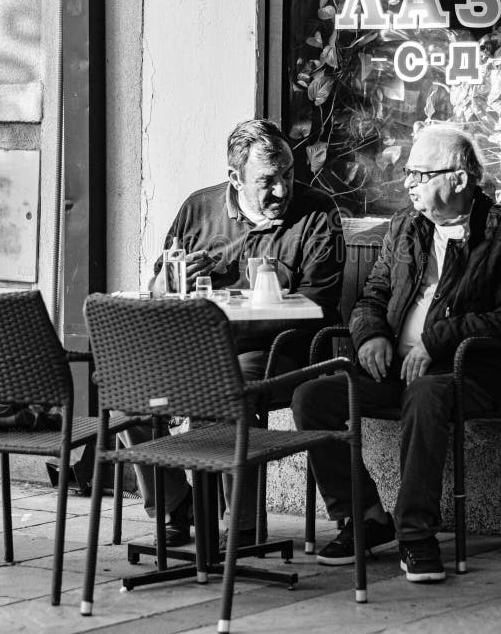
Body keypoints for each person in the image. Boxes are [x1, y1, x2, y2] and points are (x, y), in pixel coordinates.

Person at [292, 125, 501, 582]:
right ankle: (366, 516)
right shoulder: (406, 227)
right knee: (312, 397)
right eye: (408, 173)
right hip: (395, 369)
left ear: (459, 179)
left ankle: (416, 534)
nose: (408, 183)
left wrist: (438, 339)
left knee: (426, 393)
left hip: (468, 372)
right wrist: (371, 336)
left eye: (420, 174)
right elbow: (373, 295)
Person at [123, 118, 345, 547]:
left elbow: (320, 304)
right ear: (235, 177)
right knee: (131, 388)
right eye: (267, 181)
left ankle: (240, 524)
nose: (281, 190)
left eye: (288, 175)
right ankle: (177, 505)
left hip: (275, 348)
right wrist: (169, 281)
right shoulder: (198, 208)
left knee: (224, 386)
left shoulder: (318, 213)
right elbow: (159, 283)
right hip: (195, 346)